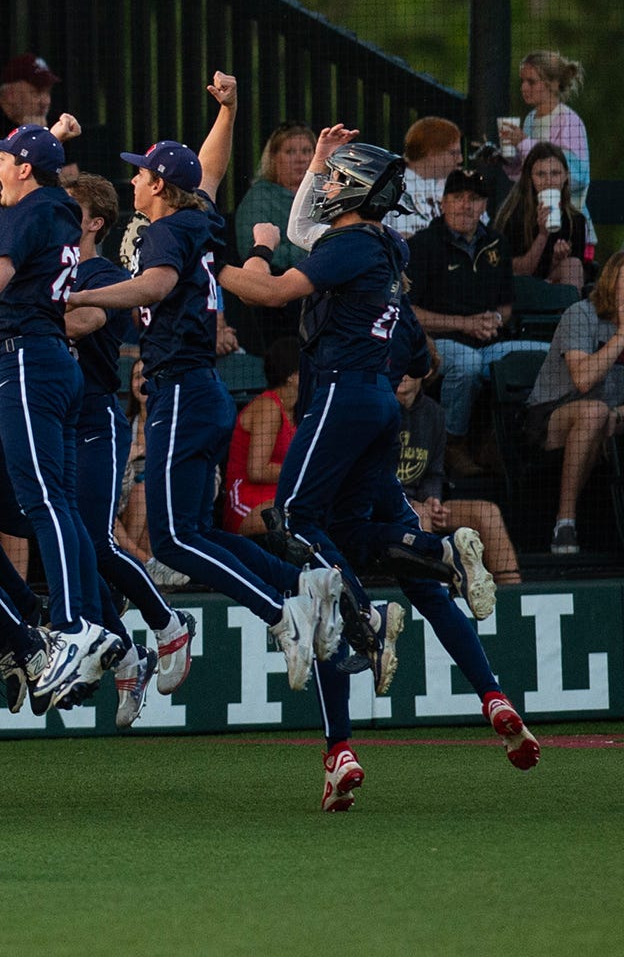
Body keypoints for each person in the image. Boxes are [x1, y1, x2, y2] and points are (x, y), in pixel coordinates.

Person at [226, 128, 495, 810]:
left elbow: (272, 288)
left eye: (333, 178)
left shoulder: (352, 248)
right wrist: (319, 161)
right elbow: (423, 360)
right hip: (377, 408)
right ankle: (439, 563)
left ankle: (369, 618)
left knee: (295, 527)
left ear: (352, 192)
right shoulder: (381, 256)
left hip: (342, 398)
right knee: (355, 541)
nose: (324, 184)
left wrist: (209, 263)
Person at [68, 77, 321, 703]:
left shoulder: (163, 231)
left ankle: (281, 614)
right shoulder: (195, 217)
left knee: (176, 539)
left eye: (141, 173)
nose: (133, 180)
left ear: (158, 186)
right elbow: (209, 169)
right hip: (195, 388)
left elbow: (154, 286)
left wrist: (78, 295)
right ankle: (302, 586)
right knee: (193, 533)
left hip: (180, 387)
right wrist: (227, 111)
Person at [0, 121, 116, 710]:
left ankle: (74, 627)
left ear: (24, 168)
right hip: (51, 358)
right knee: (59, 503)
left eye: (3, 159)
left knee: (43, 503)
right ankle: (89, 624)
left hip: (23, 356)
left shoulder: (30, 210)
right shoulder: (52, 210)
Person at [60, 173, 194, 725]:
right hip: (54, 424)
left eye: (69, 209)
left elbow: (87, 319)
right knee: (69, 544)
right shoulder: (46, 266)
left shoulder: (103, 275)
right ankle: (125, 652)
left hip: (94, 420)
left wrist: (21, 315)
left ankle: (167, 623)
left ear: (95, 223)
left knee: (94, 540)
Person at [405, 165, 548, 463]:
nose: (466, 205)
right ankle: (452, 444)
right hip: (436, 345)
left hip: (489, 344)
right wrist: (464, 324)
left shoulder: (497, 243)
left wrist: (494, 320)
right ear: (443, 203)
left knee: (549, 354)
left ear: (484, 206)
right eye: (457, 197)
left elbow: (505, 306)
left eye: (474, 198)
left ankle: (502, 437)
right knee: (468, 363)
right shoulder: (422, 245)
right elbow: (409, 312)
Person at [522, 251, 624, 555]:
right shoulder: (581, 314)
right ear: (611, 282)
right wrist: (622, 335)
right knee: (594, 412)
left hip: (610, 416)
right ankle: (565, 522)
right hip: (550, 417)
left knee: (601, 414)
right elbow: (583, 380)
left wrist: (617, 414)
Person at [396, 368, 521, 585]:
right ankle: (434, 595)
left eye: (410, 366)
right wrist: (409, 504)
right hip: (387, 508)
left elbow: (434, 473)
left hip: (423, 505)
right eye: (397, 364)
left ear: (427, 370)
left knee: (487, 513)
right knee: (420, 516)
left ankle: (512, 592)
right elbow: (371, 476)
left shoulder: (434, 414)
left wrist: (433, 500)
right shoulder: (378, 411)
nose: (402, 373)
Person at [222, 337, 302, 536]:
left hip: (281, 494)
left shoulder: (298, 410)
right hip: (248, 501)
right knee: (303, 516)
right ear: (292, 376)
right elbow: (257, 470)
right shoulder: (268, 407)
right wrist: (305, 471)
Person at [496, 143, 591, 289]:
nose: (548, 181)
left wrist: (556, 261)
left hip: (551, 290)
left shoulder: (576, 221)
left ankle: (571, 305)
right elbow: (518, 272)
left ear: (565, 176)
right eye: (541, 174)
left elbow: (575, 273)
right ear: (530, 178)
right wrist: (542, 235)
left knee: (572, 265)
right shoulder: (513, 216)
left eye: (555, 173)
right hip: (518, 290)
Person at [501, 50, 588, 206]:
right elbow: (528, 175)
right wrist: (510, 160)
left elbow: (579, 177)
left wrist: (525, 143)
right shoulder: (530, 119)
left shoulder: (569, 120)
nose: (523, 87)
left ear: (553, 84)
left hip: (567, 214)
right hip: (535, 213)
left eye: (531, 82)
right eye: (522, 81)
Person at [232, 123, 316, 274]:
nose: (301, 159)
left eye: (306, 151)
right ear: (274, 158)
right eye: (290, 152)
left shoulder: (326, 193)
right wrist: (314, 248)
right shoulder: (259, 197)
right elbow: (250, 250)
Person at [382, 117, 464, 238]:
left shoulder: (450, 185)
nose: (460, 159)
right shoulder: (393, 187)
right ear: (432, 153)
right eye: (454, 153)